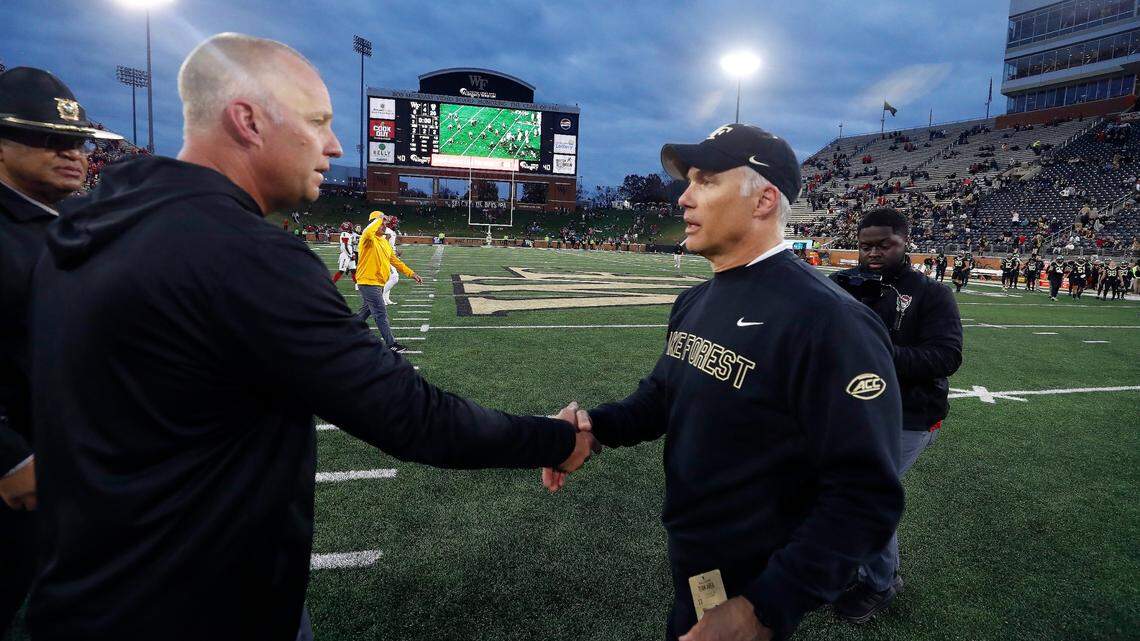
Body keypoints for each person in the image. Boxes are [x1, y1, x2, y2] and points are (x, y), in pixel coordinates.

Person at [25, 33, 599, 641]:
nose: (335, 144)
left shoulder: (83, 223)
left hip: (81, 593)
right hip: (197, 603)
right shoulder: (242, 253)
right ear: (247, 120)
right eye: (318, 120)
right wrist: (555, 438)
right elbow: (412, 418)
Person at [544, 124, 904, 641]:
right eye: (688, 182)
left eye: (706, 181)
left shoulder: (830, 321)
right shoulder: (696, 300)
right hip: (694, 552)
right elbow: (663, 398)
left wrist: (765, 607)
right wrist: (592, 428)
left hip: (755, 577)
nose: (684, 198)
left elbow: (865, 495)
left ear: (763, 200)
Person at [0, 67, 122, 636]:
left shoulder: (62, 222)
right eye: (49, 139)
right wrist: (7, 456)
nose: (74, 154)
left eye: (78, 141)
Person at [829, 209, 963, 622]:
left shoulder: (932, 294)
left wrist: (881, 350)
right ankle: (855, 565)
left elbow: (947, 356)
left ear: (905, 242)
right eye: (865, 245)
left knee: (865, 498)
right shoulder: (842, 285)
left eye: (883, 244)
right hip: (849, 410)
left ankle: (880, 584)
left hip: (908, 415)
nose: (872, 253)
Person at [356, 209, 420, 351]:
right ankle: (392, 345)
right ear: (374, 223)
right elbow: (368, 231)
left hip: (378, 283)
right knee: (380, 313)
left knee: (363, 313)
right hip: (368, 282)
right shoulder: (367, 239)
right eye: (381, 223)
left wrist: (411, 273)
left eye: (385, 223)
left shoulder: (384, 242)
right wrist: (380, 218)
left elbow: (395, 261)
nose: (384, 225)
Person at [382, 214, 401, 305]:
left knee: (389, 278)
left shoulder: (390, 231)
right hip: (386, 257)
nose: (396, 224)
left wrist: (396, 252)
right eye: (395, 223)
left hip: (391, 256)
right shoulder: (386, 231)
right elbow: (383, 244)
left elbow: (391, 245)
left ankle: (386, 299)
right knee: (394, 277)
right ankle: (381, 296)